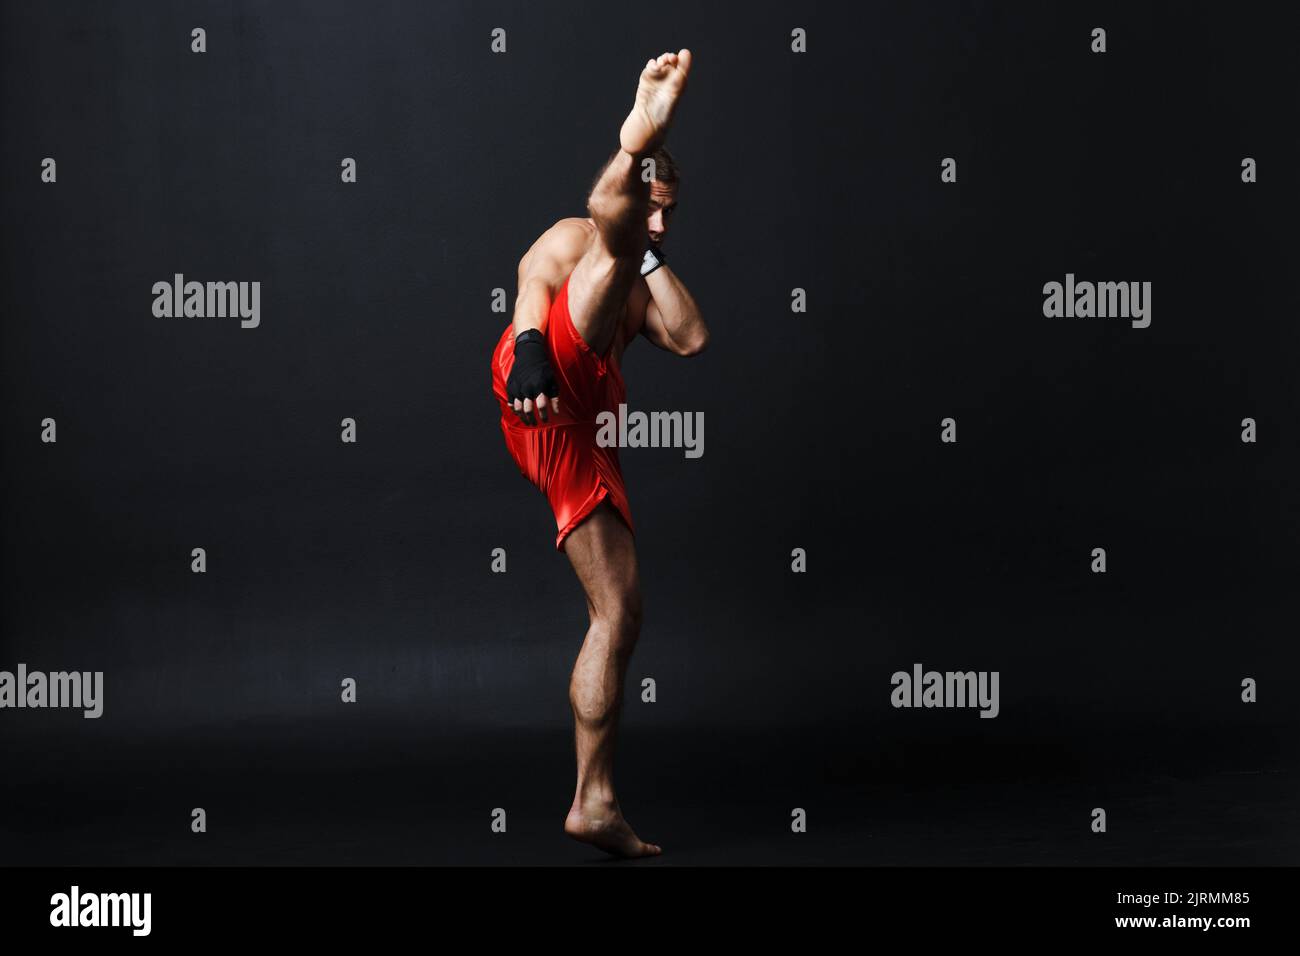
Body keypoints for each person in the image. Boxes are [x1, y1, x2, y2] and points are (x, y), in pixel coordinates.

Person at [489, 49, 708, 857]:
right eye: (653, 206)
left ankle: (596, 797)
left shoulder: (636, 267)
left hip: (586, 418)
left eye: (669, 213)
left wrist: (651, 250)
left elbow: (690, 338)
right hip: (541, 374)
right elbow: (530, 280)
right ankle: (594, 801)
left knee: (619, 614)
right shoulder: (582, 234)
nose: (660, 223)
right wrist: (533, 349)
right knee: (617, 613)